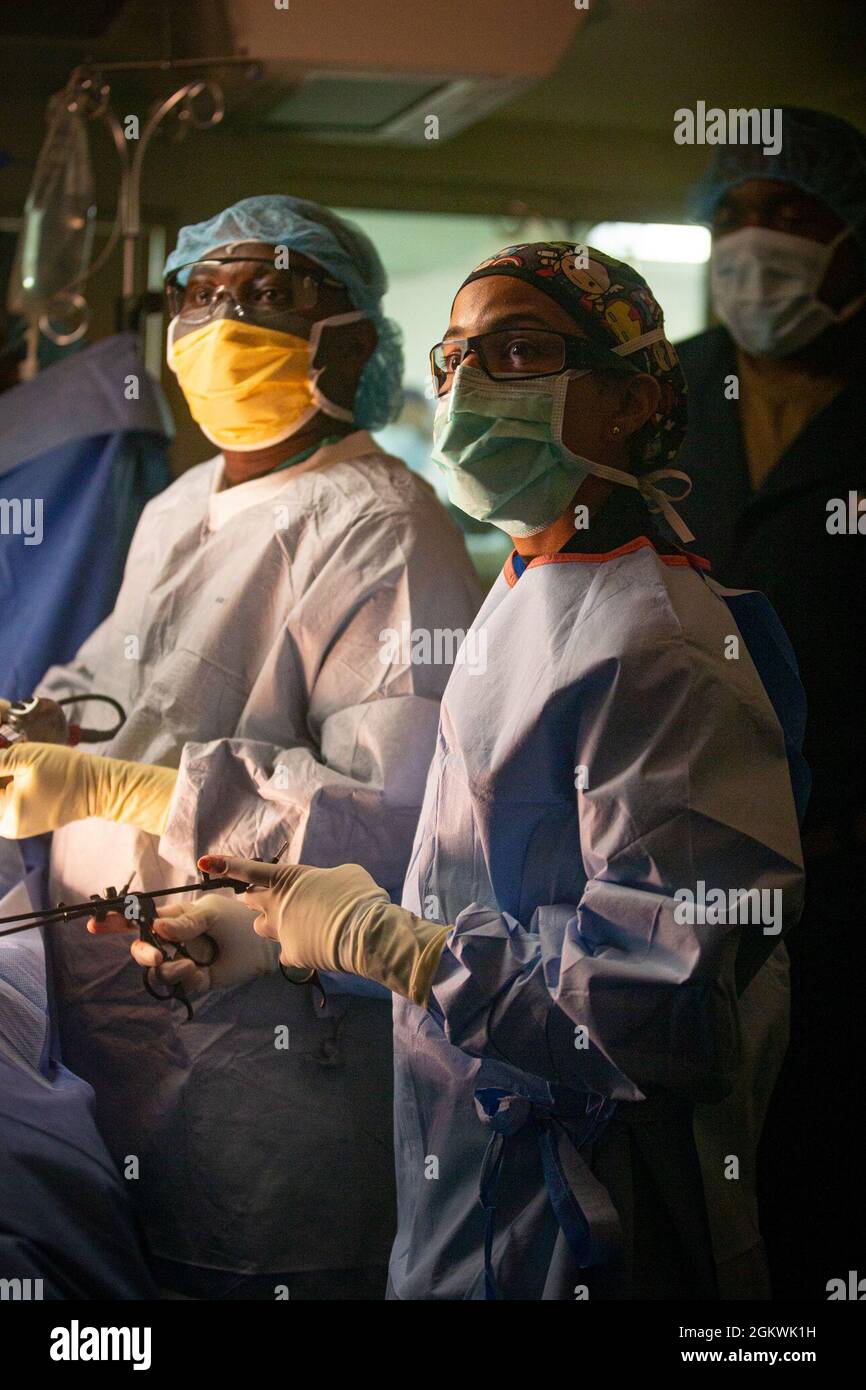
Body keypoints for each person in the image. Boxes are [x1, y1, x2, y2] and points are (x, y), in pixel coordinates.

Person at [134, 243, 807, 1299]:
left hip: (593, 1208)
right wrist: (287, 938)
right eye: (454, 355)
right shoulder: (533, 586)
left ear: (632, 399)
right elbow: (481, 892)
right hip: (478, 1165)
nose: (468, 382)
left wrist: (392, 945)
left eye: (520, 350)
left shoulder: (659, 645)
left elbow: (658, 1010)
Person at [0, 196, 482, 1299]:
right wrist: (43, 726)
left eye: (267, 293)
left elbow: (399, 824)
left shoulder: (383, 527)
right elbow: (123, 686)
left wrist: (124, 788)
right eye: (202, 293)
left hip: (270, 1056)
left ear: (349, 341)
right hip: (127, 1022)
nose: (222, 319)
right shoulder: (183, 503)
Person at [678, 108, 866, 1297]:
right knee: (687, 1184)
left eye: (789, 215)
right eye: (731, 218)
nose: (754, 244)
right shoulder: (663, 392)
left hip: (839, 873)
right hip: (673, 865)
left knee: (819, 1182)